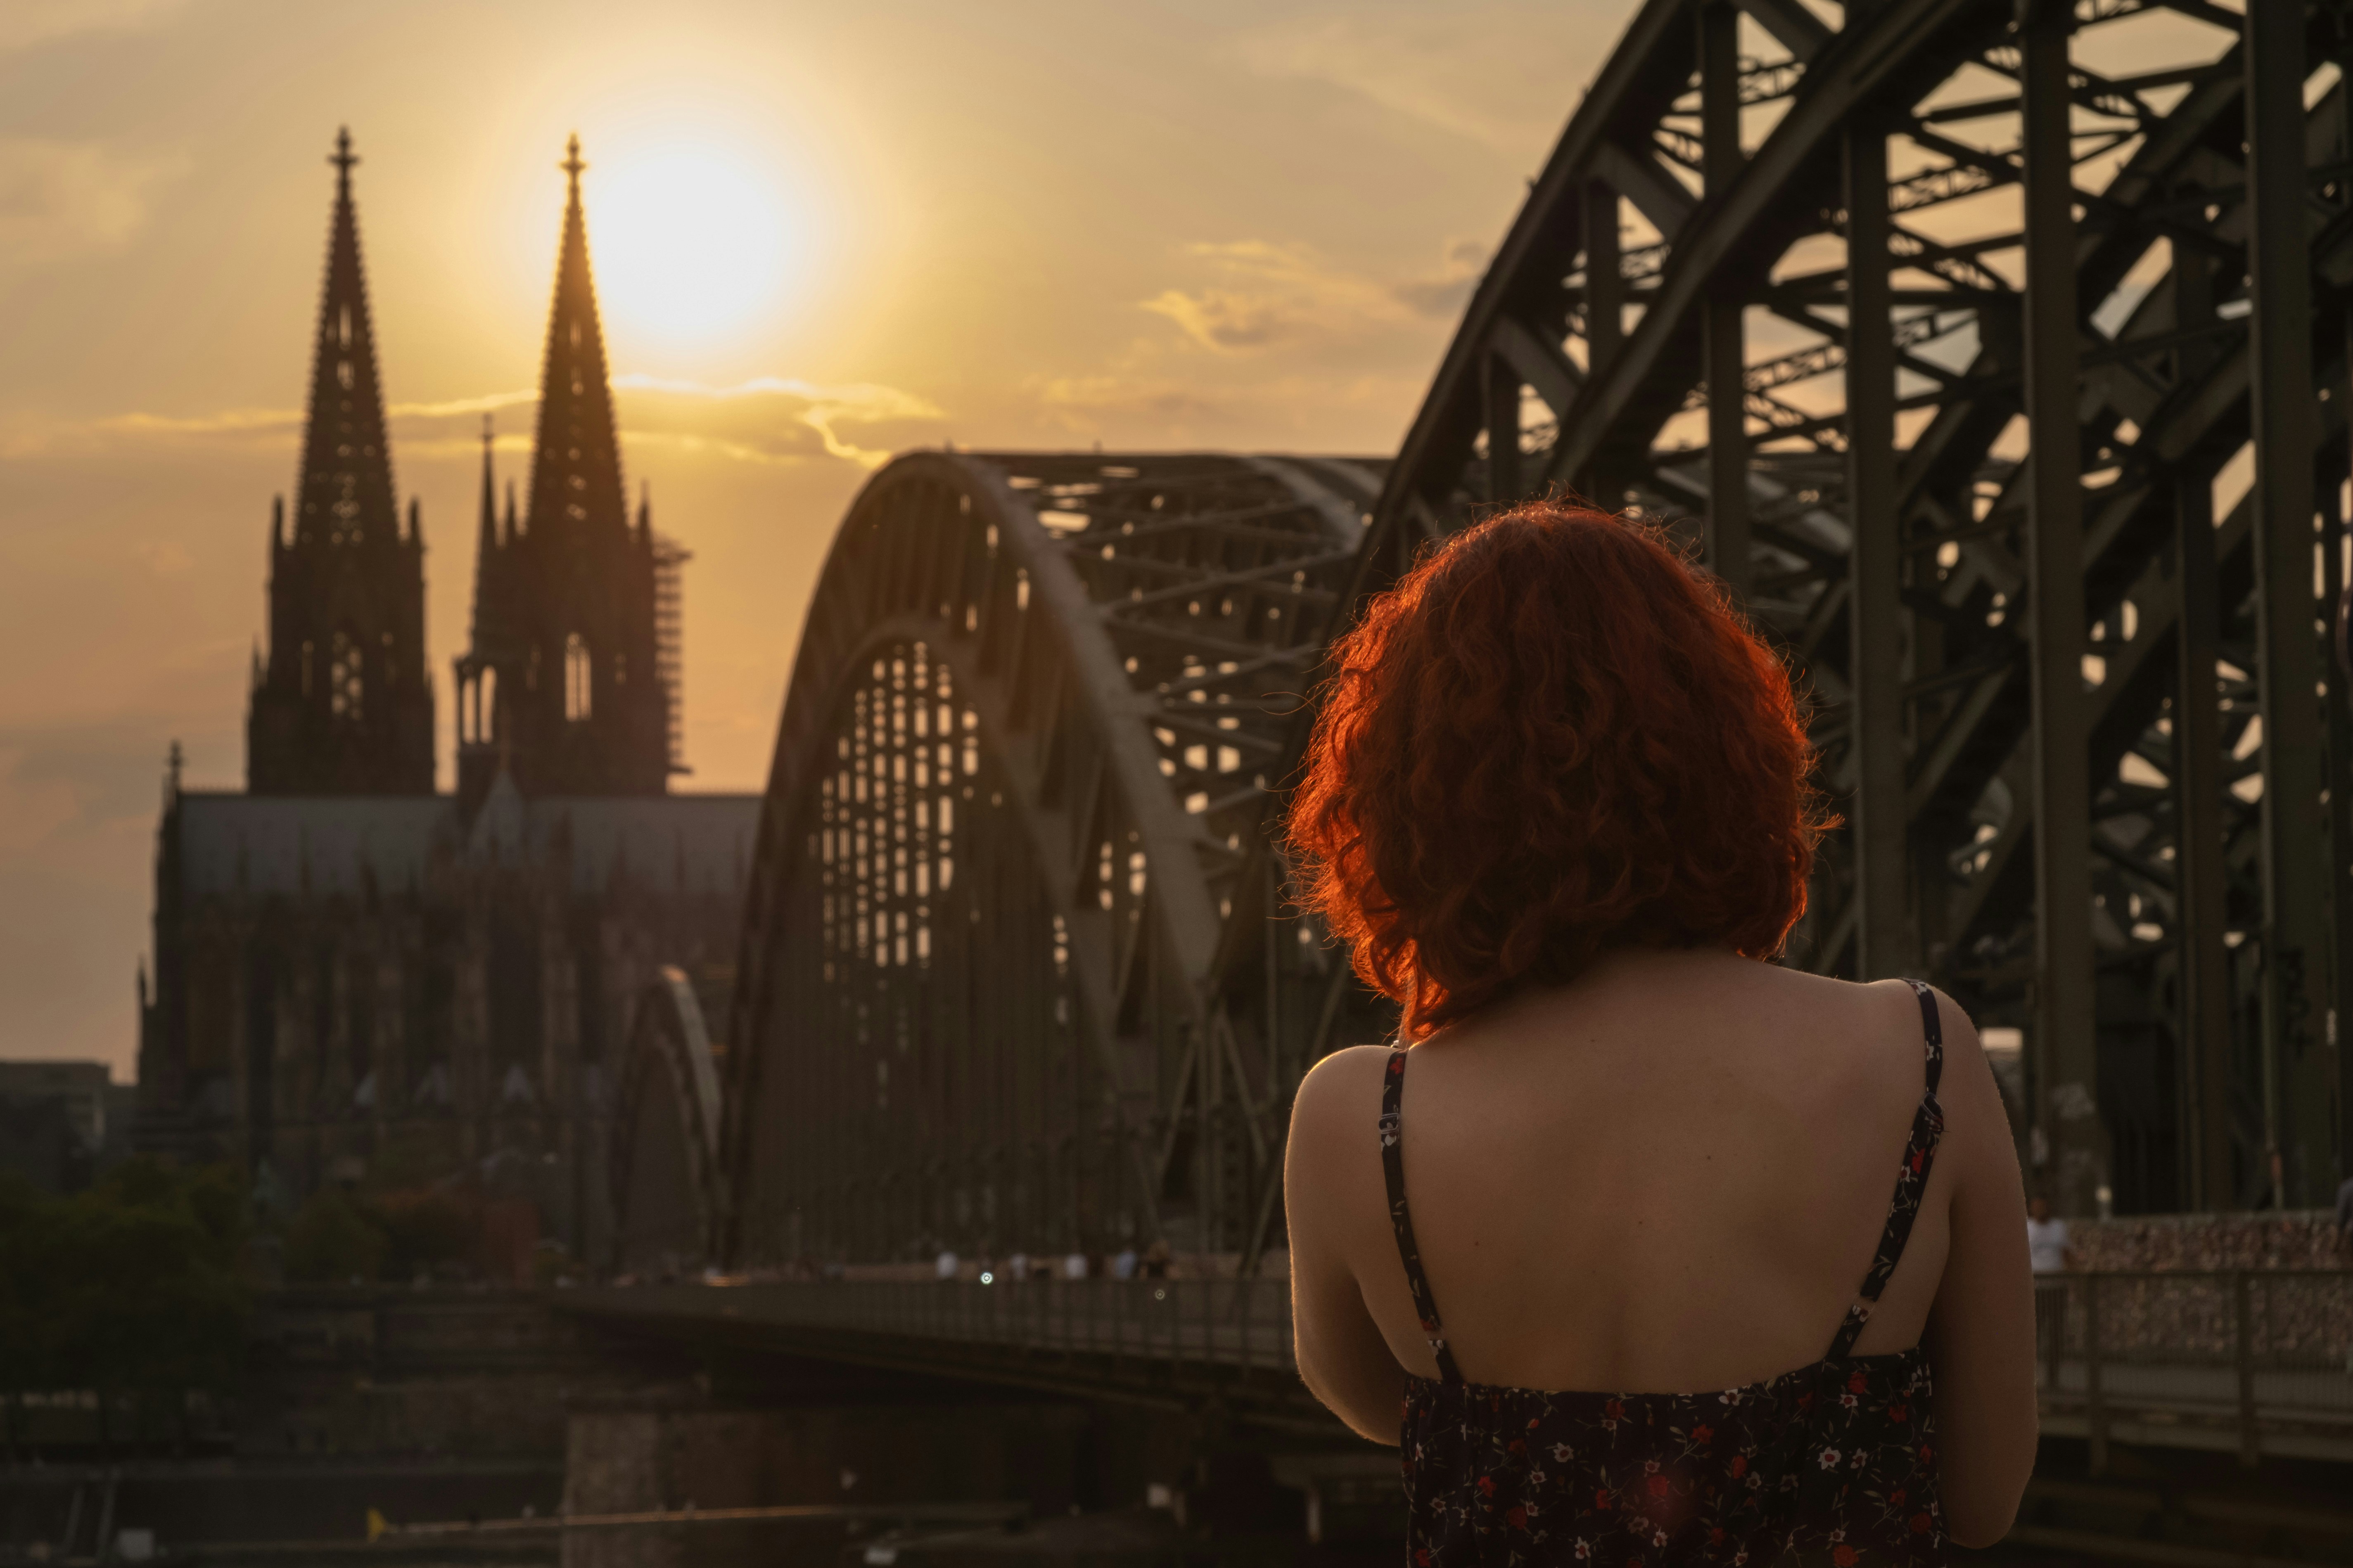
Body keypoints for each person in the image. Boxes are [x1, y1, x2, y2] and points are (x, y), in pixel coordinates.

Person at [1281, 506, 2038, 1565]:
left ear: (1411, 800)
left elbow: (1378, 1399)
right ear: (1731, 746)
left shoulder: (1360, 1118)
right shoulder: (1917, 1052)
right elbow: (1985, 1496)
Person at [2025, 1195, 2071, 1274]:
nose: (2040, 1210)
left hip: (2056, 1277)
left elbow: (2066, 1252)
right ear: (2031, 1208)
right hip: (2035, 1277)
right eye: (2037, 1207)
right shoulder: (2026, 1228)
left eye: (2042, 1207)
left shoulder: (2059, 1227)